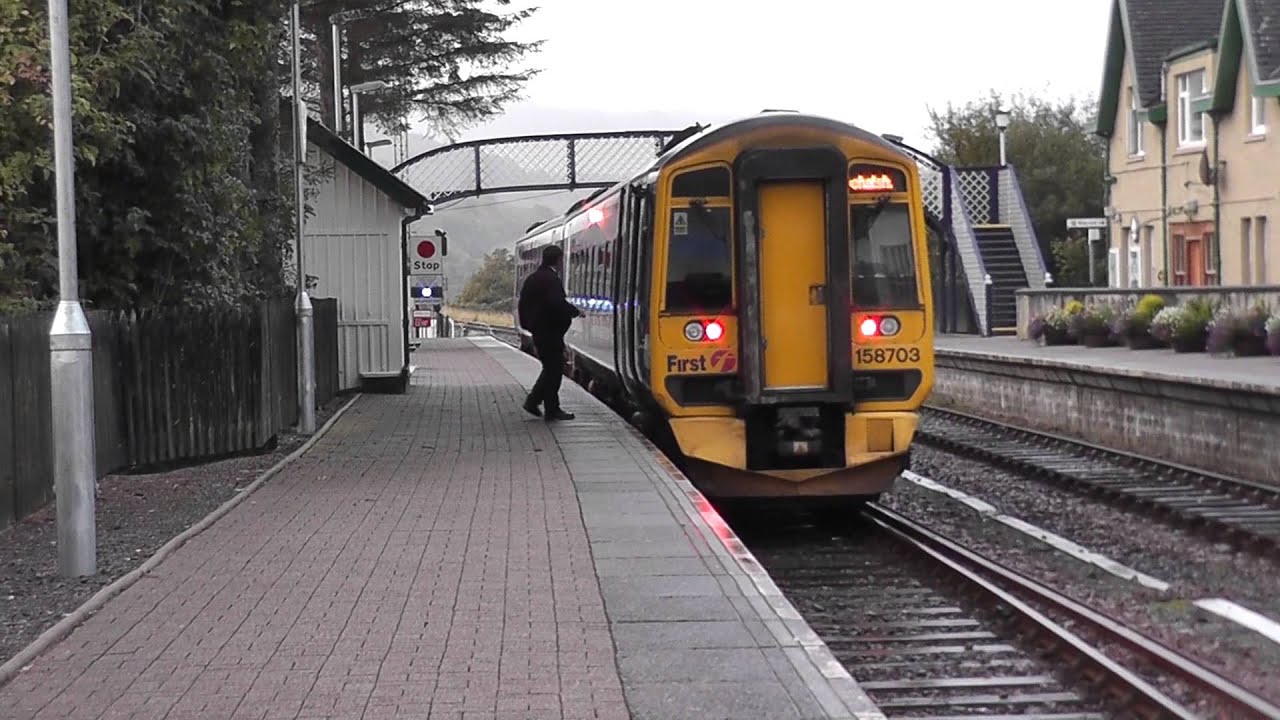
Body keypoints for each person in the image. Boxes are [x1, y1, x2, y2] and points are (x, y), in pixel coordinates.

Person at [517, 244, 581, 420]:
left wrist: (530, 326)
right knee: (554, 370)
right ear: (558, 260)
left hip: (540, 331)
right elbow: (556, 303)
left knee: (551, 369)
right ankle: (542, 405)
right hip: (549, 332)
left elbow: (524, 305)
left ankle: (542, 404)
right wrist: (575, 312)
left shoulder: (534, 278)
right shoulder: (550, 279)